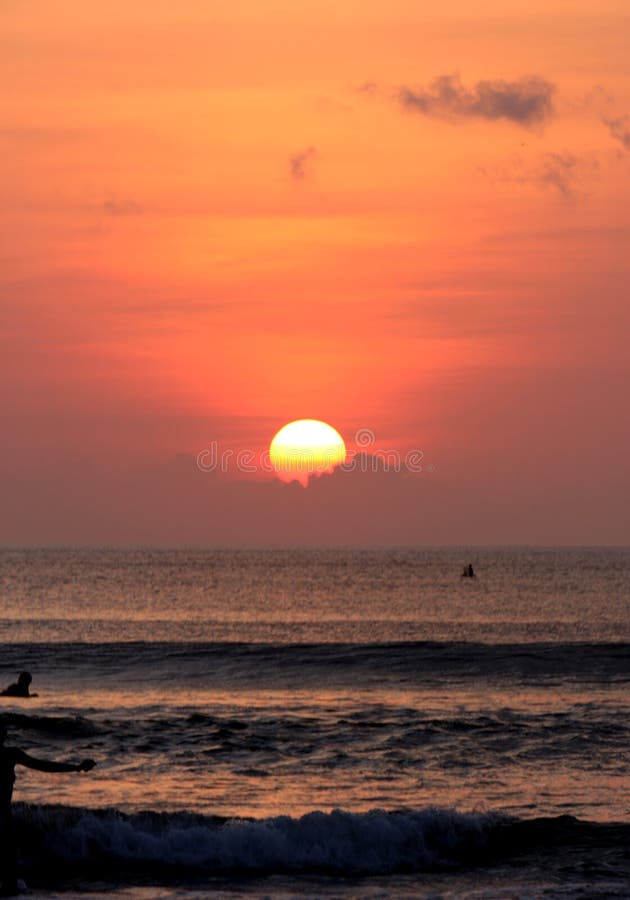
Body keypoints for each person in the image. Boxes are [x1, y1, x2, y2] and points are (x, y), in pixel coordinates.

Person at [0, 721, 95, 896]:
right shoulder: (10, 755)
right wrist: (76, 768)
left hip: (4, 822)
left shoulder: (10, 755)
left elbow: (44, 766)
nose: (5, 733)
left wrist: (76, 768)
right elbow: (43, 766)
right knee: (9, 883)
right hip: (3, 823)